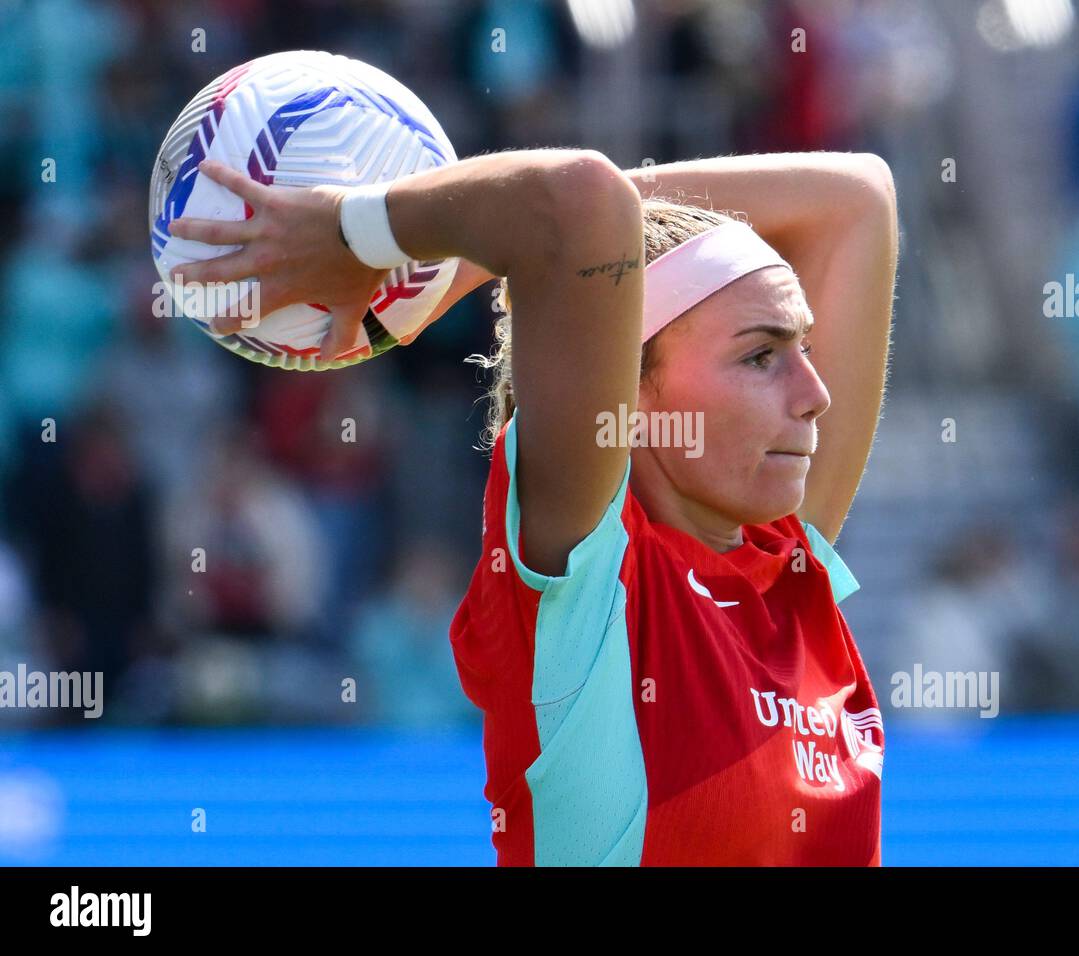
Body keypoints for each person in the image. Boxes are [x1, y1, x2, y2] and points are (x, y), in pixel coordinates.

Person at [168, 145, 898, 865]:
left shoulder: (788, 569)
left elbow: (858, 197)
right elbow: (575, 198)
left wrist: (462, 263)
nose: (816, 393)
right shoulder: (596, 589)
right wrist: (358, 231)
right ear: (633, 397)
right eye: (761, 355)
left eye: (800, 347)